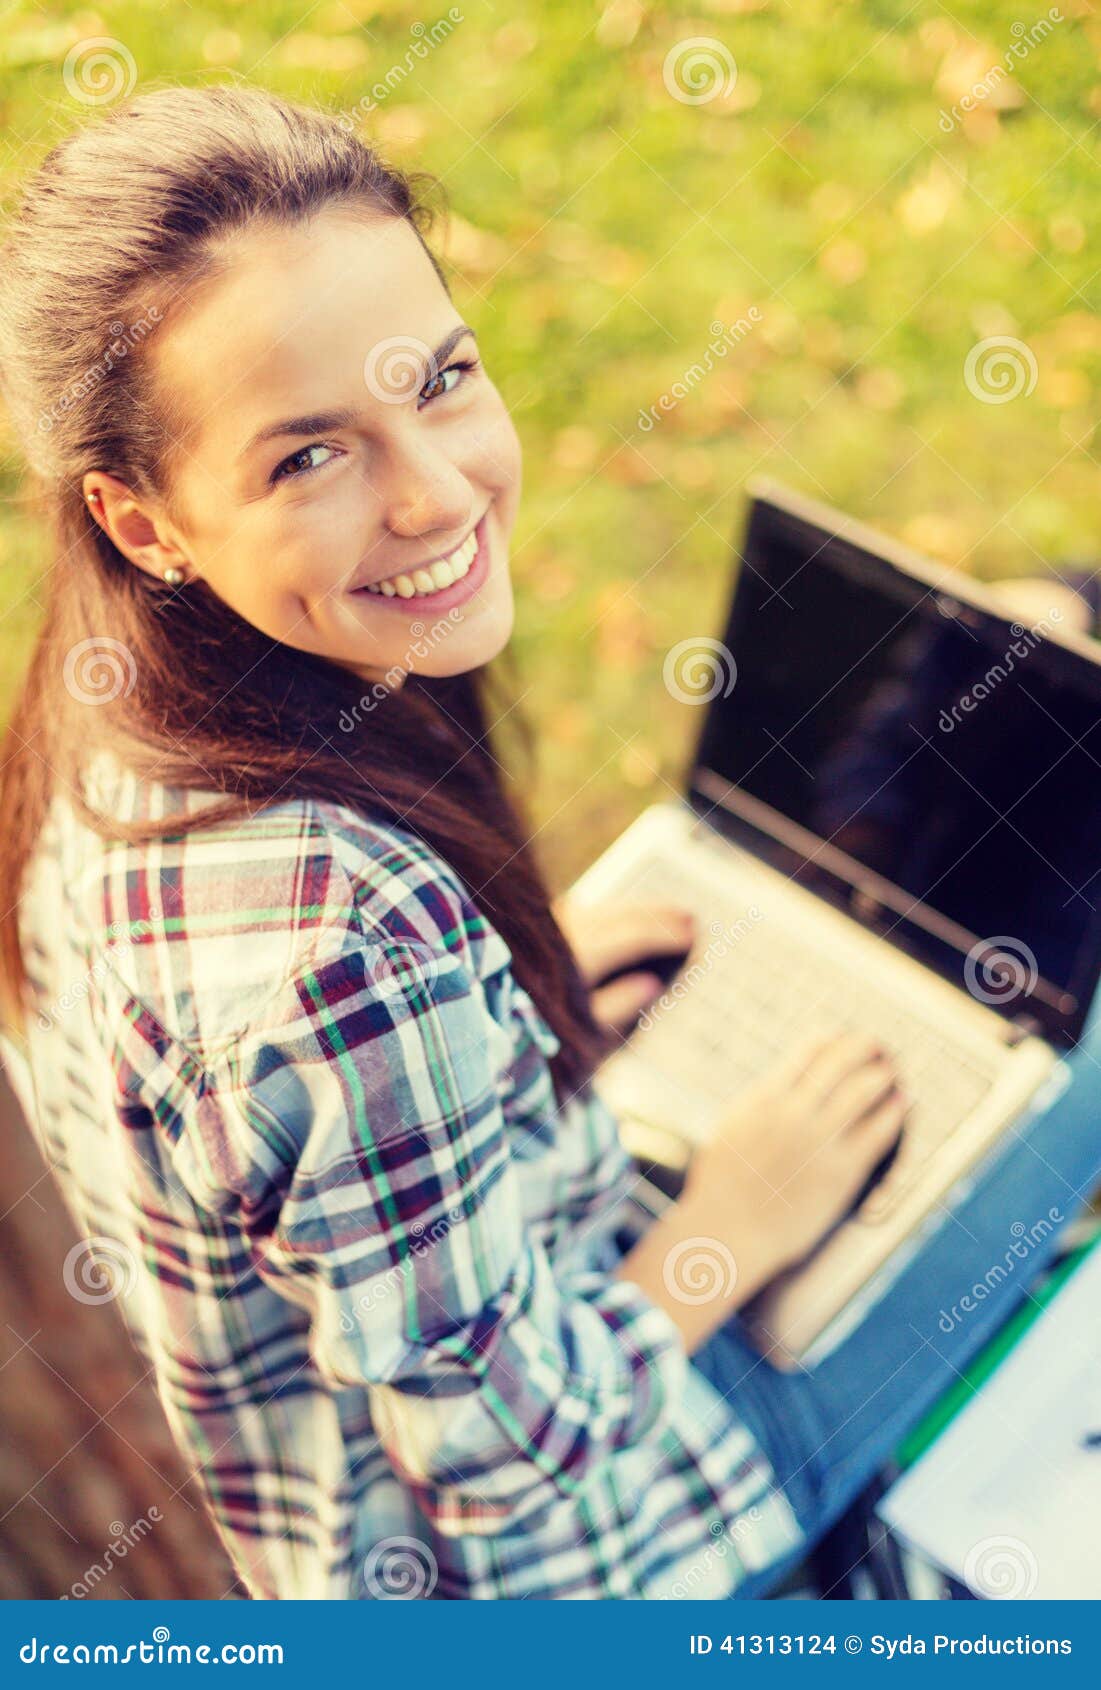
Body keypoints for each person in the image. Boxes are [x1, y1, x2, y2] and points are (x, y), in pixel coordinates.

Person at [0, 84, 1096, 1602]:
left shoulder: (104, 714)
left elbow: (281, 1123)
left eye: (438, 377)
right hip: (621, 1538)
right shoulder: (342, 953)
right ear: (143, 521)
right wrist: (732, 1220)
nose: (440, 494)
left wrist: (499, 1020)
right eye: (306, 457)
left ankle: (1052, 629)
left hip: (388, 1386)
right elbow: (510, 1464)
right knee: (1079, 1039)